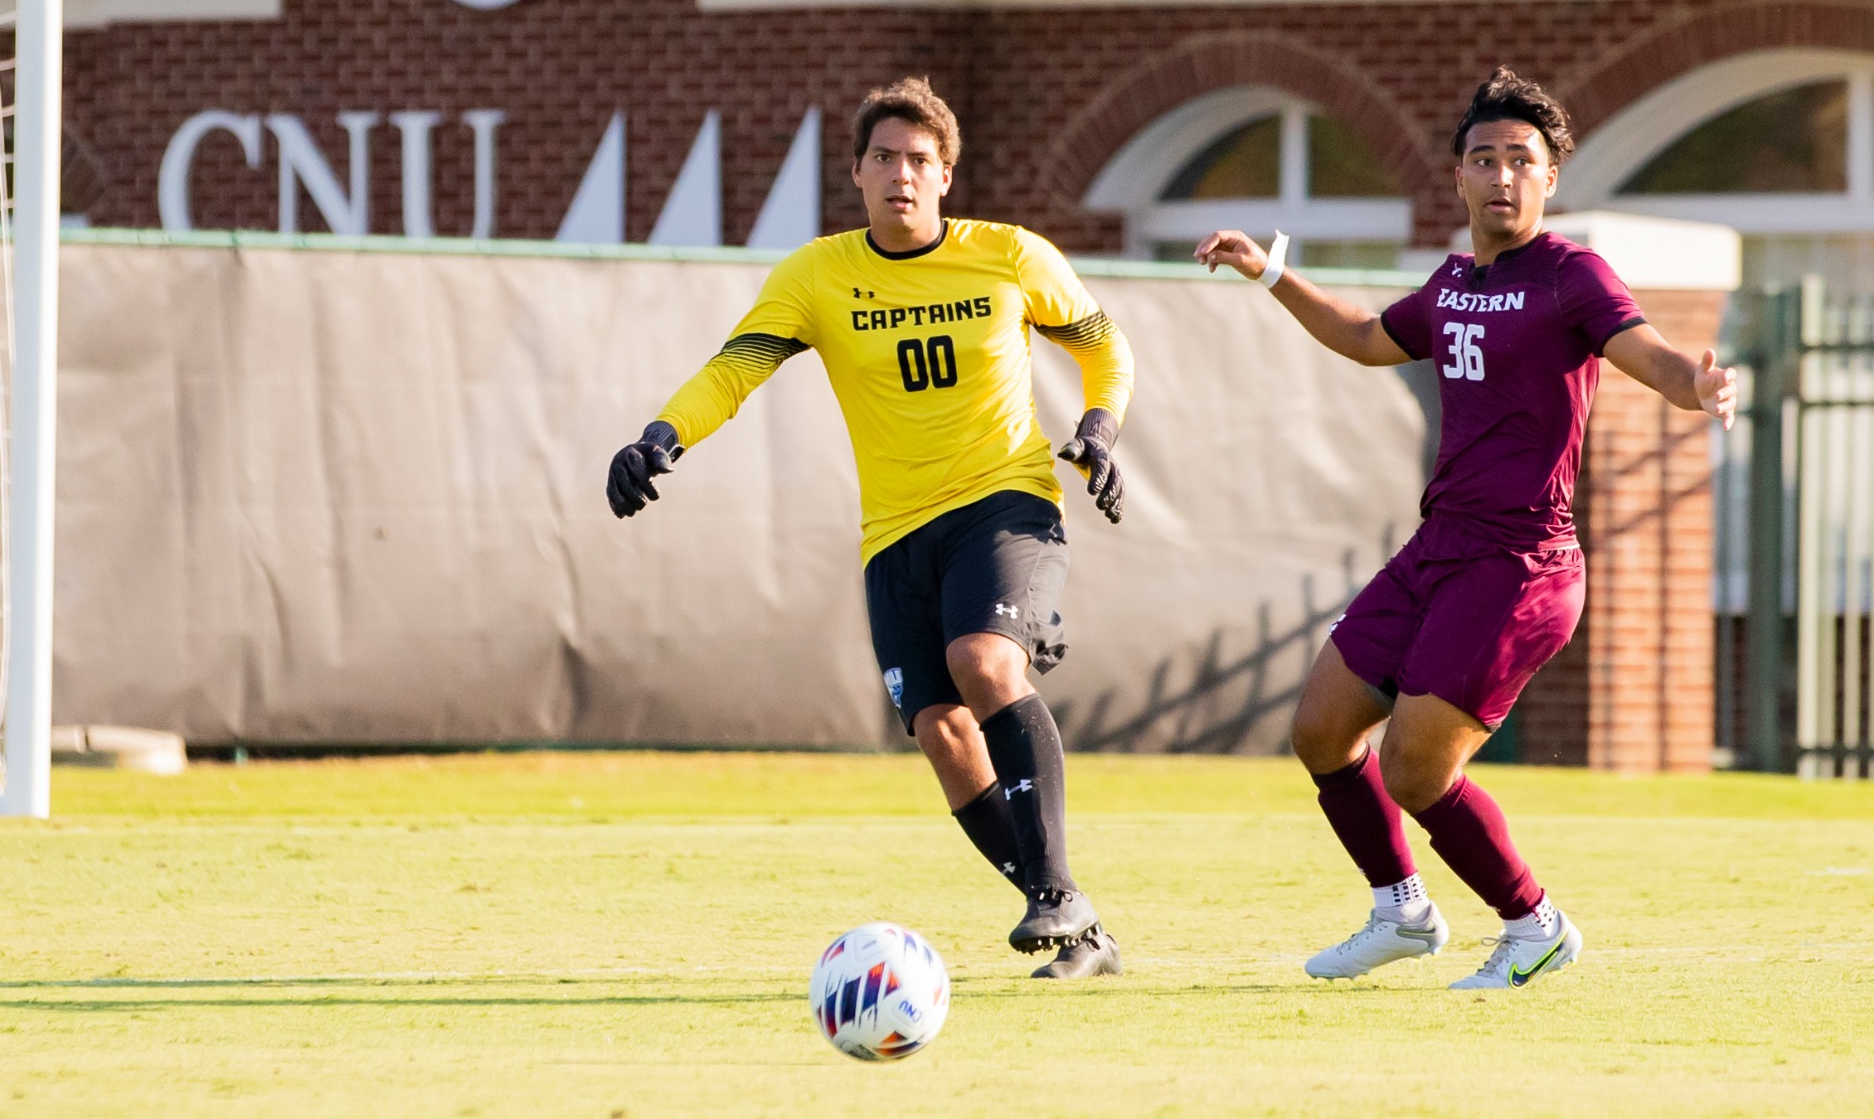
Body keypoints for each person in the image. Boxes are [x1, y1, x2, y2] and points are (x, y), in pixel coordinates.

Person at [1194, 67, 1737, 990]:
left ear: (1549, 177)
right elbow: (1368, 337)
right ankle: (1399, 910)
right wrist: (1274, 272)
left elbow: (1648, 352)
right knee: (1322, 730)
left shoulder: (1573, 274)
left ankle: (1536, 924)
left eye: (1520, 160)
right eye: (1483, 159)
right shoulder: (1452, 279)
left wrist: (1698, 382)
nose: (1501, 176)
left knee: (1412, 768)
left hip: (1522, 564)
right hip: (1438, 547)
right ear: (1458, 178)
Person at [607, 77, 1134, 979]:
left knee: (984, 662)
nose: (902, 173)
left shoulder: (1008, 255)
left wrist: (1098, 428)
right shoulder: (817, 275)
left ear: (946, 177)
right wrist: (662, 436)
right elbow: (732, 372)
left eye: (919, 160)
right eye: (884, 157)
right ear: (856, 172)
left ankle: (1054, 890)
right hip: (894, 536)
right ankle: (1080, 932)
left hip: (1005, 503)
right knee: (942, 733)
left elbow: (1101, 343)